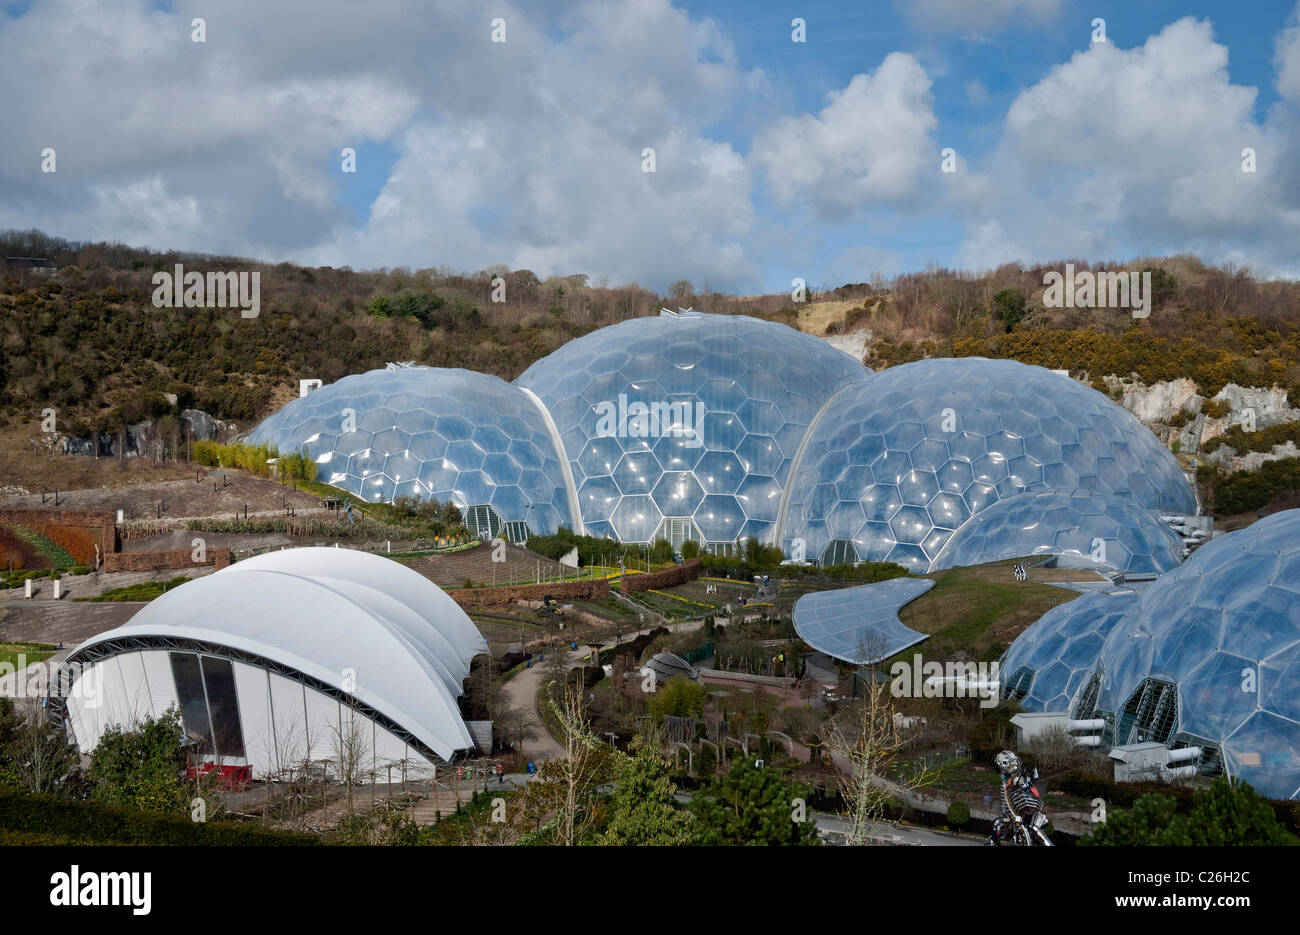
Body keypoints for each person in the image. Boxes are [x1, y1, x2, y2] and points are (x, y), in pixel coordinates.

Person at [986, 750, 1050, 845]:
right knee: (999, 825)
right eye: (1012, 763)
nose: (1014, 765)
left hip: (1029, 810)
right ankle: (993, 842)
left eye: (1014, 762)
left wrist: (1031, 772)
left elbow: (1034, 787)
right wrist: (1005, 814)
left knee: (1035, 827)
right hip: (1015, 812)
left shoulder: (1023, 774)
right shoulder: (1005, 781)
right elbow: (1005, 800)